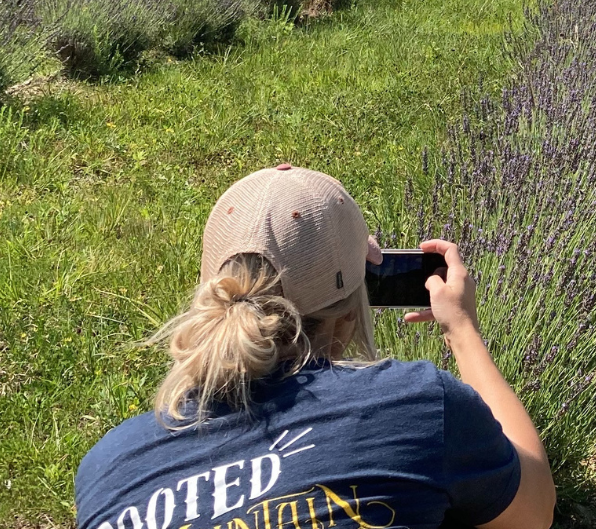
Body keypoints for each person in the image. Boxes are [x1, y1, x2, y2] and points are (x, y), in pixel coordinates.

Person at [75, 164, 555, 529]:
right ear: (347, 320)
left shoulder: (107, 470)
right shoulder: (416, 405)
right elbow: (534, 509)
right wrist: (463, 331)